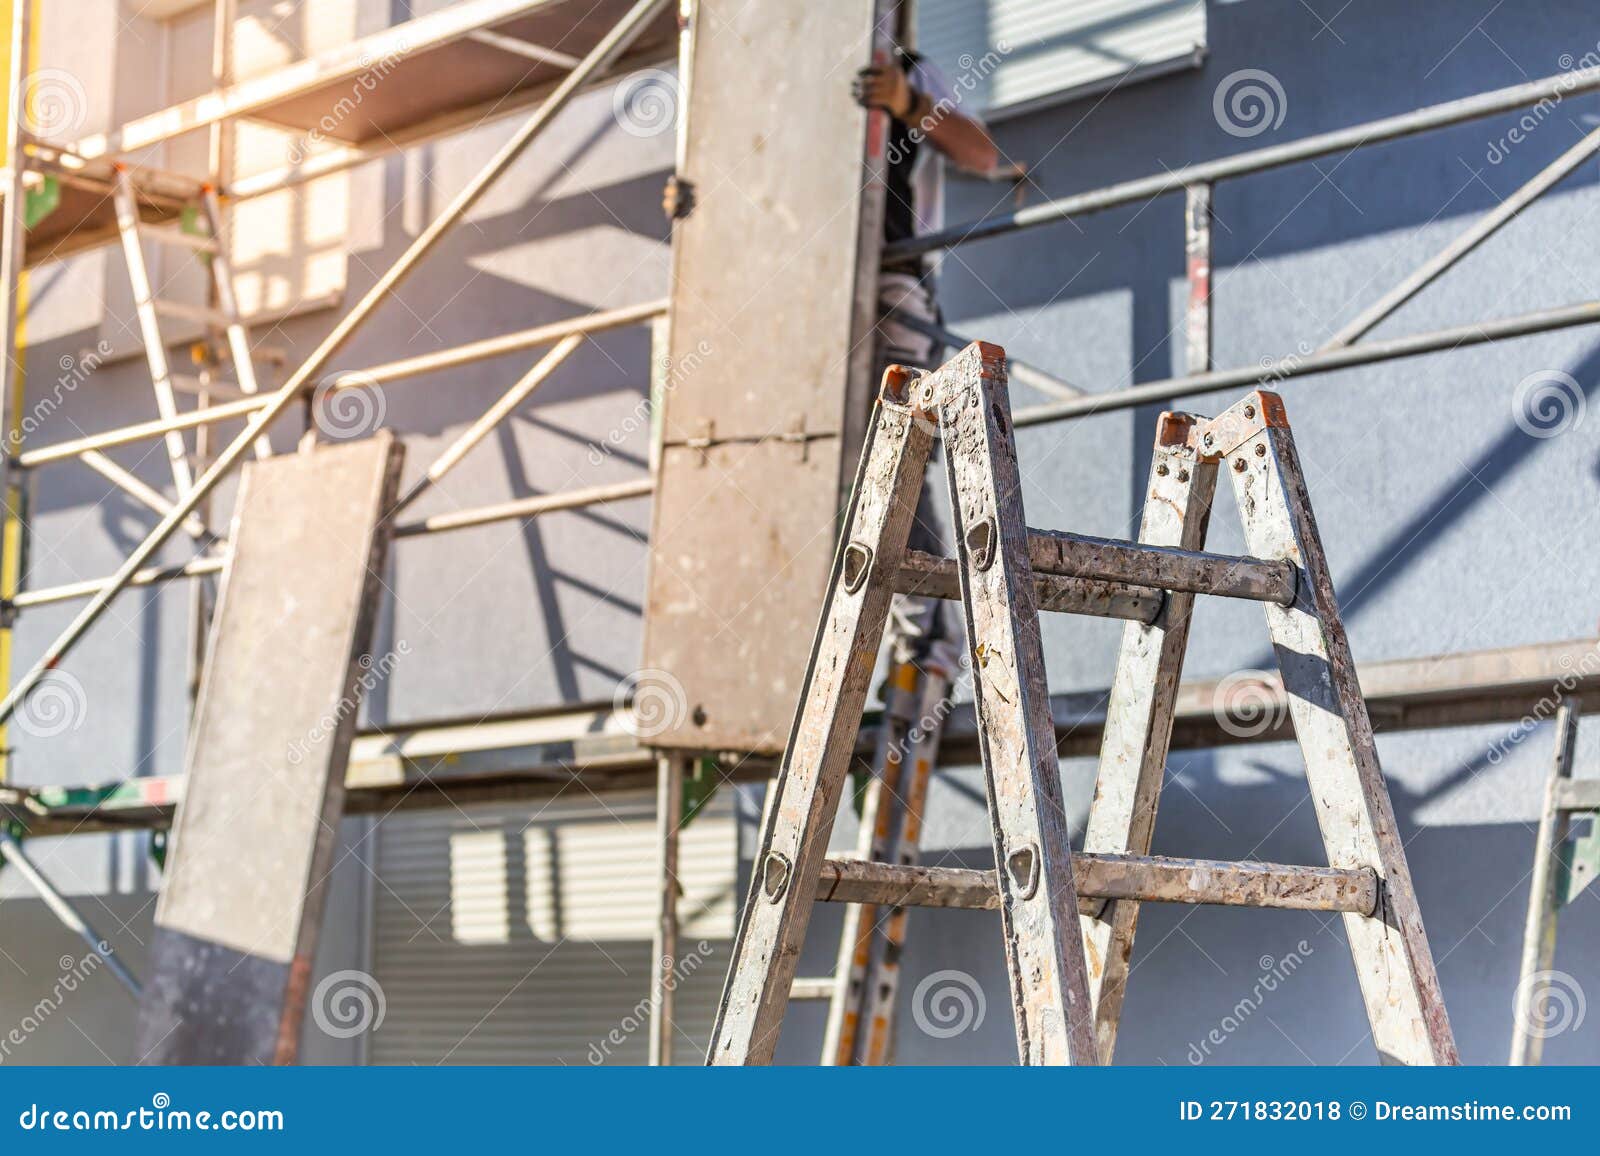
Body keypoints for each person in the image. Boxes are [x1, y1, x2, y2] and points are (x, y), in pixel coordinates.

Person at [853, 41, 1015, 667]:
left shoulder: (905, 65)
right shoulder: (785, 64)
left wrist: (908, 102)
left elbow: (983, 153)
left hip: (891, 284)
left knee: (893, 457)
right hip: (806, 294)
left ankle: (925, 648)